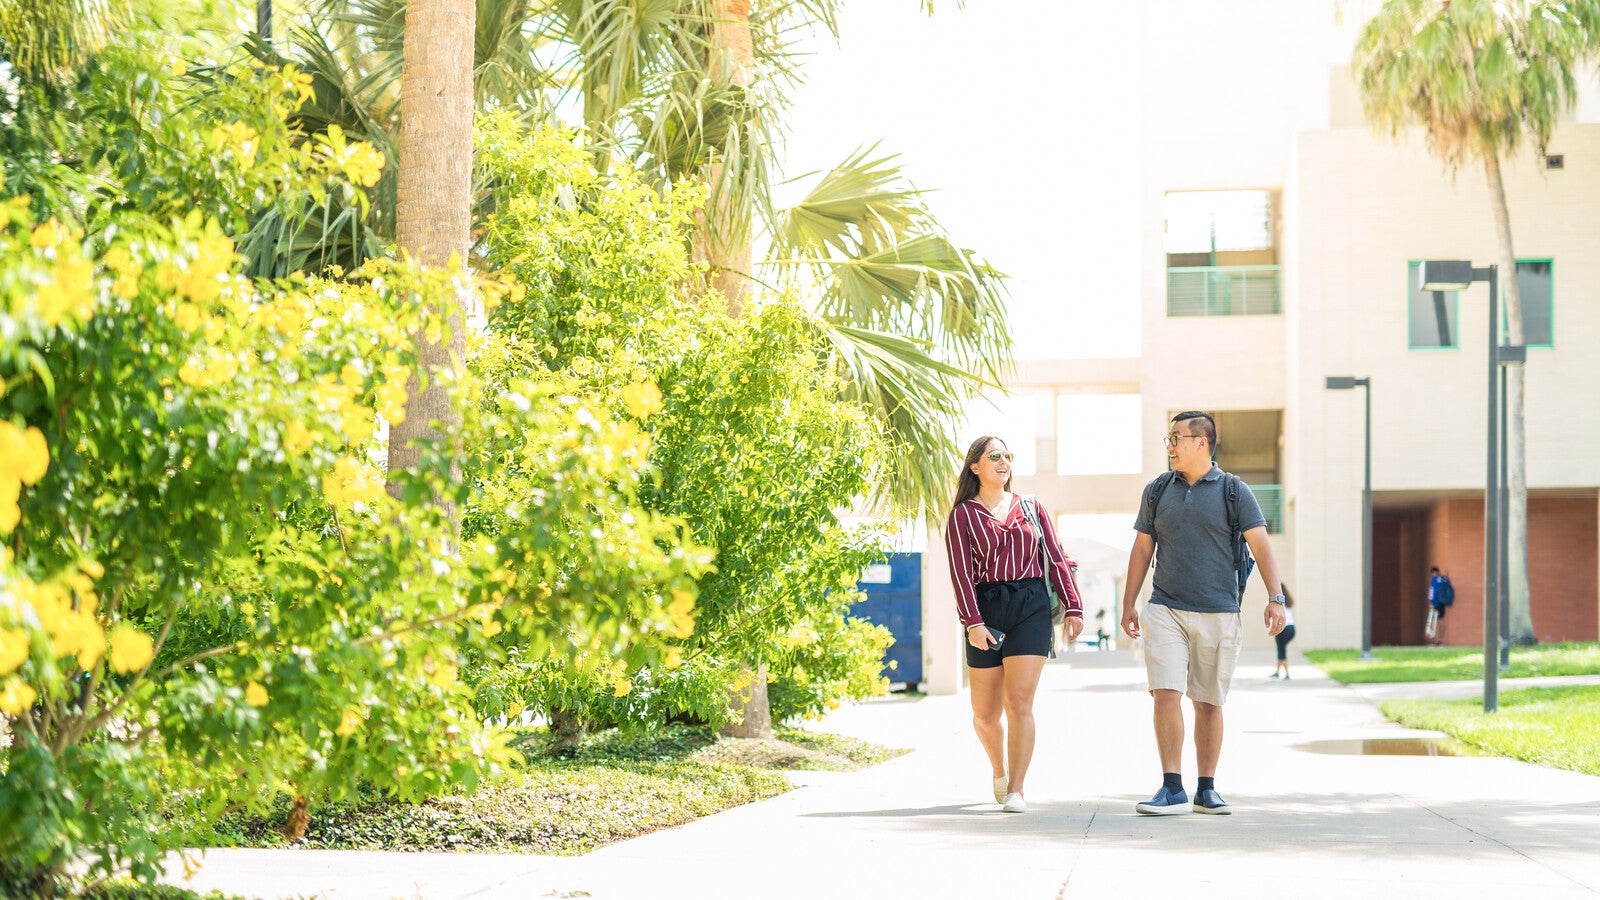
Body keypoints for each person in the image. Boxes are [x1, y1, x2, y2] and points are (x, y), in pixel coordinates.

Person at [1120, 411, 1286, 816]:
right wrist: (1129, 603)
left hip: (1219, 610)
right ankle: (1172, 786)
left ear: (1202, 442)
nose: (1171, 446)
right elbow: (1143, 549)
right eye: (1169, 438)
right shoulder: (1158, 490)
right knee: (1165, 692)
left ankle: (1206, 788)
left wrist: (1275, 596)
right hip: (1165, 608)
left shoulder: (1234, 491)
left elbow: (1261, 546)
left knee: (1208, 702)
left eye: (1177, 438)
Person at [946, 435, 1085, 814]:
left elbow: (1055, 558)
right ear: (975, 466)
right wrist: (972, 622)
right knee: (985, 715)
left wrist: (1074, 606)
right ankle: (999, 770)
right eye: (994, 456)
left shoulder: (1031, 506)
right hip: (986, 611)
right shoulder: (963, 514)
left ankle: (1017, 790)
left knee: (1019, 701)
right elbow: (960, 573)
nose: (1003, 461)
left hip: (1031, 607)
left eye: (1007, 455)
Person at [1271, 585, 1296, 679]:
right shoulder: (1289, 601)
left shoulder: (1277, 602)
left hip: (1282, 629)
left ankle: (1287, 674)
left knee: (1281, 651)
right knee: (1281, 649)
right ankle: (1277, 672)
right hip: (1291, 629)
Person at [1425, 566, 1449, 645]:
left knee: (1432, 621)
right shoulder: (1444, 579)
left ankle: (1432, 641)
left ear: (1433, 573)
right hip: (1442, 603)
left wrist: (1431, 602)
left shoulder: (1434, 579)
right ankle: (1441, 640)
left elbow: (1432, 592)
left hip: (1435, 603)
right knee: (1440, 621)